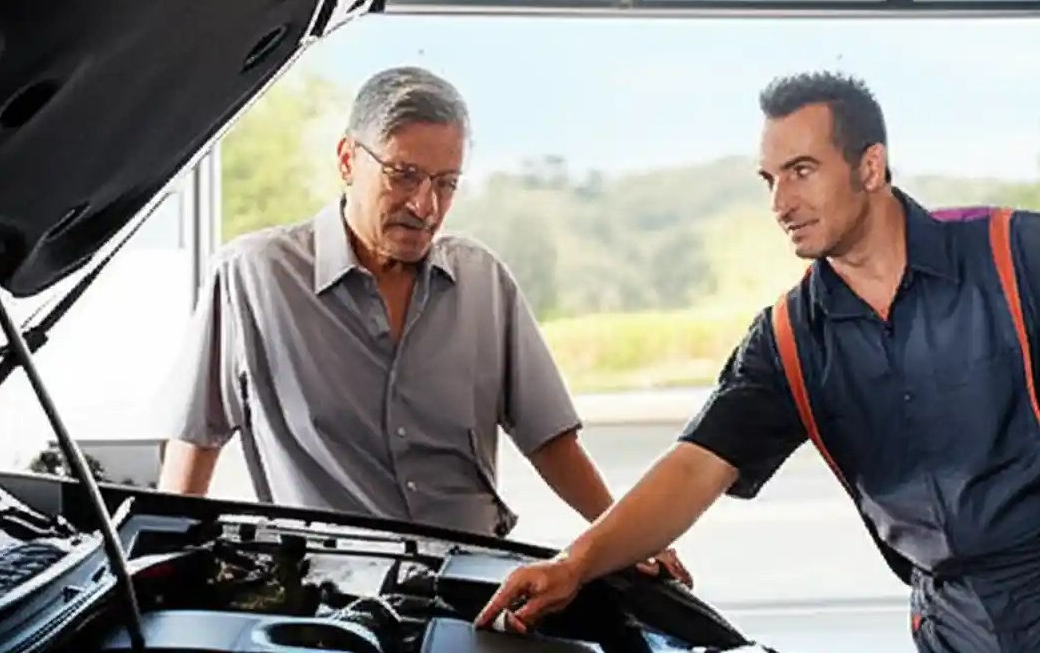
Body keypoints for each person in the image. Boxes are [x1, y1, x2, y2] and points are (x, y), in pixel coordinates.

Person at [475, 71, 1040, 652]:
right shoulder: (788, 339)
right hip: (951, 624)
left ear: (870, 167)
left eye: (802, 170)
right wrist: (576, 563)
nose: (780, 201)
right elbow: (690, 470)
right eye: (769, 179)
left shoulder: (1020, 253)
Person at [155, 66, 690, 584]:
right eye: (403, 175)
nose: (425, 205)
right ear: (347, 160)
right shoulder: (254, 276)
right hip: (327, 599)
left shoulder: (483, 281)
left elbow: (551, 442)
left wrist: (630, 542)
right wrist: (161, 580)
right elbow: (195, 445)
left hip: (472, 584)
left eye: (446, 183)